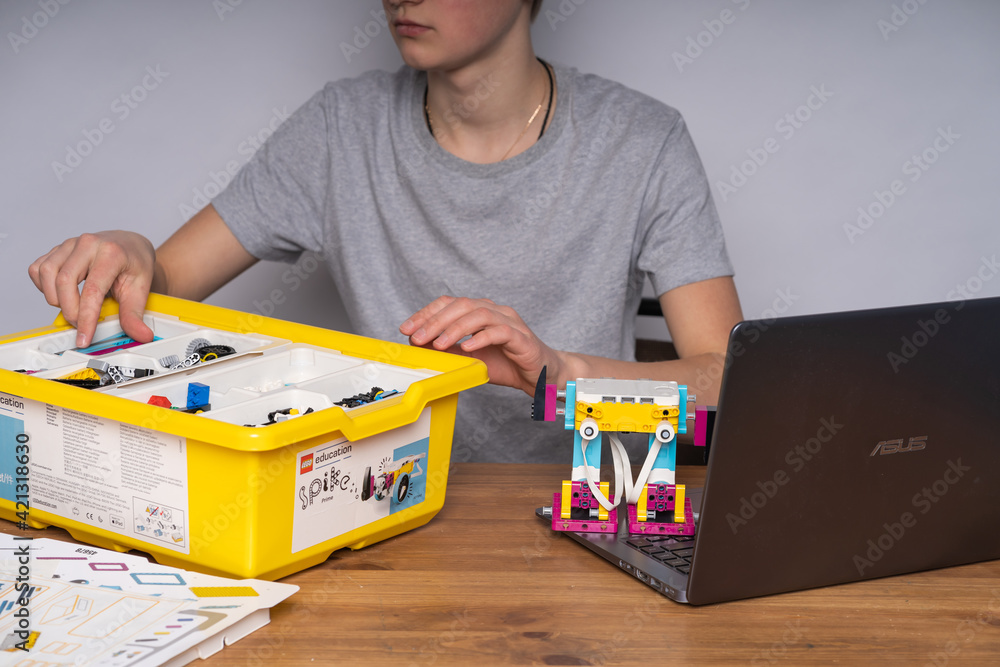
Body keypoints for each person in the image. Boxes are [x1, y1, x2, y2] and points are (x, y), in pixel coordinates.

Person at [28, 0, 742, 462]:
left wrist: (562, 374)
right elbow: (161, 285)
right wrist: (135, 251)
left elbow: (725, 379)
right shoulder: (340, 128)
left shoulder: (644, 141)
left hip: (582, 523)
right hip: (382, 522)